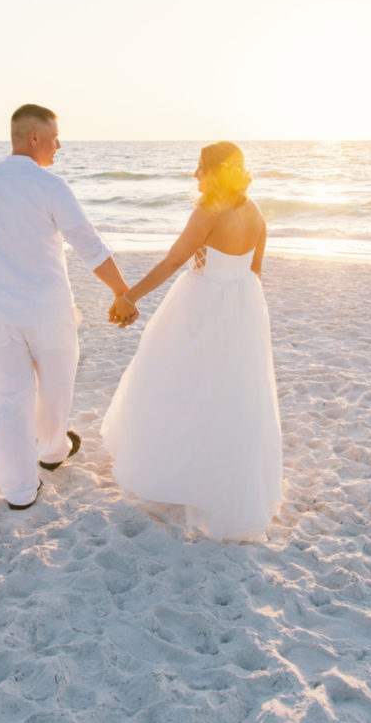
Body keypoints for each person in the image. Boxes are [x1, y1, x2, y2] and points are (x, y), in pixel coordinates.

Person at [102, 141, 282, 541]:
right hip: (242, 310)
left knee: (173, 382)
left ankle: (175, 476)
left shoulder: (206, 213)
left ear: (217, 172)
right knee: (226, 396)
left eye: (200, 168)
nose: (195, 175)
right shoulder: (256, 214)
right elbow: (255, 273)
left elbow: (171, 262)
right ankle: (218, 481)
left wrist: (128, 297)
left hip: (200, 304)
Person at [0, 104, 138, 510]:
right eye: (55, 136)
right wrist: (122, 294)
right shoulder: (49, 185)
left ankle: (19, 491)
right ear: (34, 137)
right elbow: (88, 244)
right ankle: (53, 451)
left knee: (8, 401)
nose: (60, 145)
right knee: (56, 389)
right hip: (47, 311)